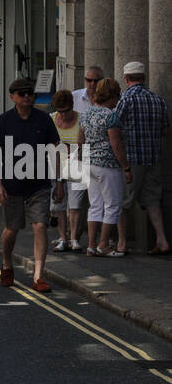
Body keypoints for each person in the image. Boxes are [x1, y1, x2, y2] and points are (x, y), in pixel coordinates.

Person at [0, 79, 63, 293]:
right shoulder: (4, 121)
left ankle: (39, 276)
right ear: (12, 96)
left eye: (29, 93)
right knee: (12, 229)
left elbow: (55, 151)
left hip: (39, 184)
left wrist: (59, 183)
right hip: (11, 184)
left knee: (40, 225)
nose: (26, 97)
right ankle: (6, 263)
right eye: (21, 94)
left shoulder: (44, 120)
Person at [116, 62, 170, 255]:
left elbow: (115, 127)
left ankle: (121, 244)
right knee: (153, 201)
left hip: (132, 159)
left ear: (126, 79)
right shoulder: (158, 100)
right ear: (143, 78)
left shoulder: (125, 99)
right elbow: (165, 129)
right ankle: (162, 240)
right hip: (153, 158)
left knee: (123, 202)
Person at [78, 77, 128, 257]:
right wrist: (126, 167)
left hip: (90, 164)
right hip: (108, 165)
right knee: (113, 205)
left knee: (95, 206)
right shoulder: (111, 116)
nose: (119, 99)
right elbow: (116, 145)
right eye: (118, 95)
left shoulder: (86, 115)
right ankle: (103, 245)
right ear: (112, 96)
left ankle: (91, 246)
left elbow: (80, 142)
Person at [50, 89, 86, 252]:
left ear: (72, 106)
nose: (63, 115)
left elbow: (85, 145)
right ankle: (62, 239)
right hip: (55, 168)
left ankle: (74, 239)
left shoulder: (81, 119)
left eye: (66, 111)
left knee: (75, 205)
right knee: (58, 205)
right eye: (60, 112)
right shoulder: (51, 119)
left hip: (77, 166)